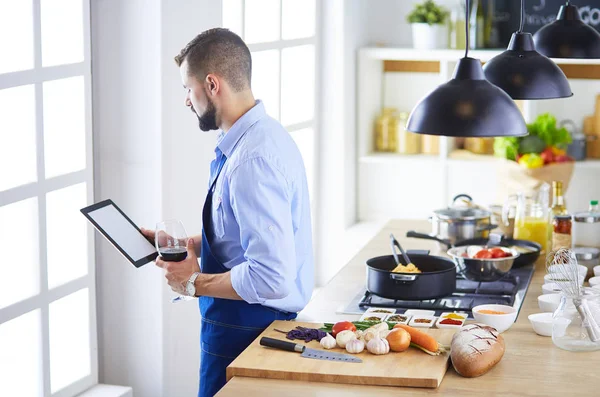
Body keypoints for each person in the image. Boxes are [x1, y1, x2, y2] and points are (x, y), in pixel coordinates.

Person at [141, 28, 314, 397]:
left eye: (189, 89)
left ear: (212, 84)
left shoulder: (252, 160)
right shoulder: (260, 138)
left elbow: (270, 277)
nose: (188, 101)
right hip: (244, 325)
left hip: (248, 330)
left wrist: (193, 282)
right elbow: (245, 237)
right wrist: (186, 244)